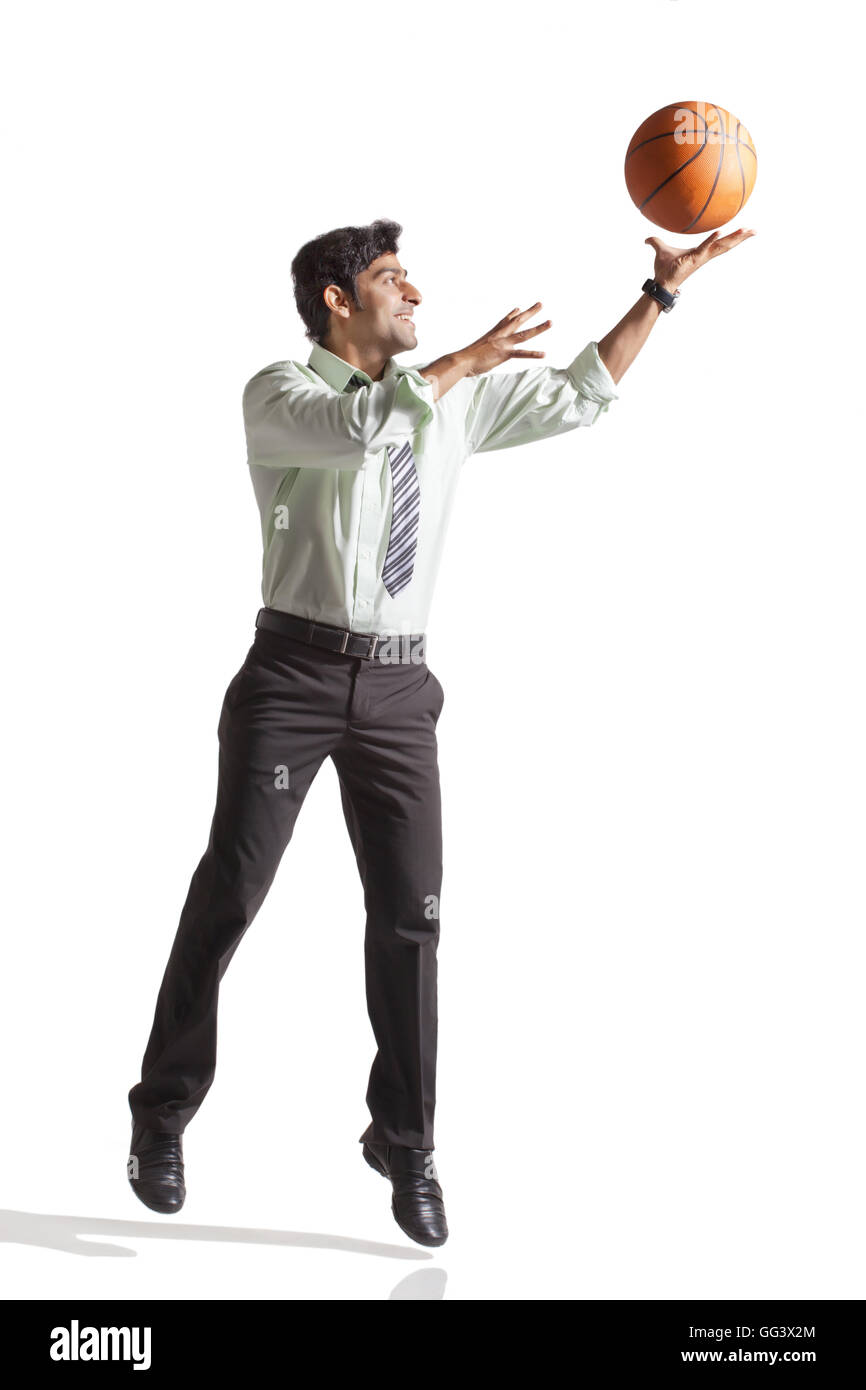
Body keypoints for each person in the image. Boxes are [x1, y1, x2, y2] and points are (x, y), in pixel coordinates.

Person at [127, 216, 755, 1247]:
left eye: (410, 277)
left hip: (398, 693)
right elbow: (357, 431)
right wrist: (458, 363)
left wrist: (661, 294)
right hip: (288, 675)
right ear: (337, 300)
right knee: (232, 890)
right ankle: (161, 1111)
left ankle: (405, 1142)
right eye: (390, 278)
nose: (413, 292)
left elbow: (582, 392)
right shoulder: (280, 395)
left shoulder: (446, 400)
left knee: (411, 919)